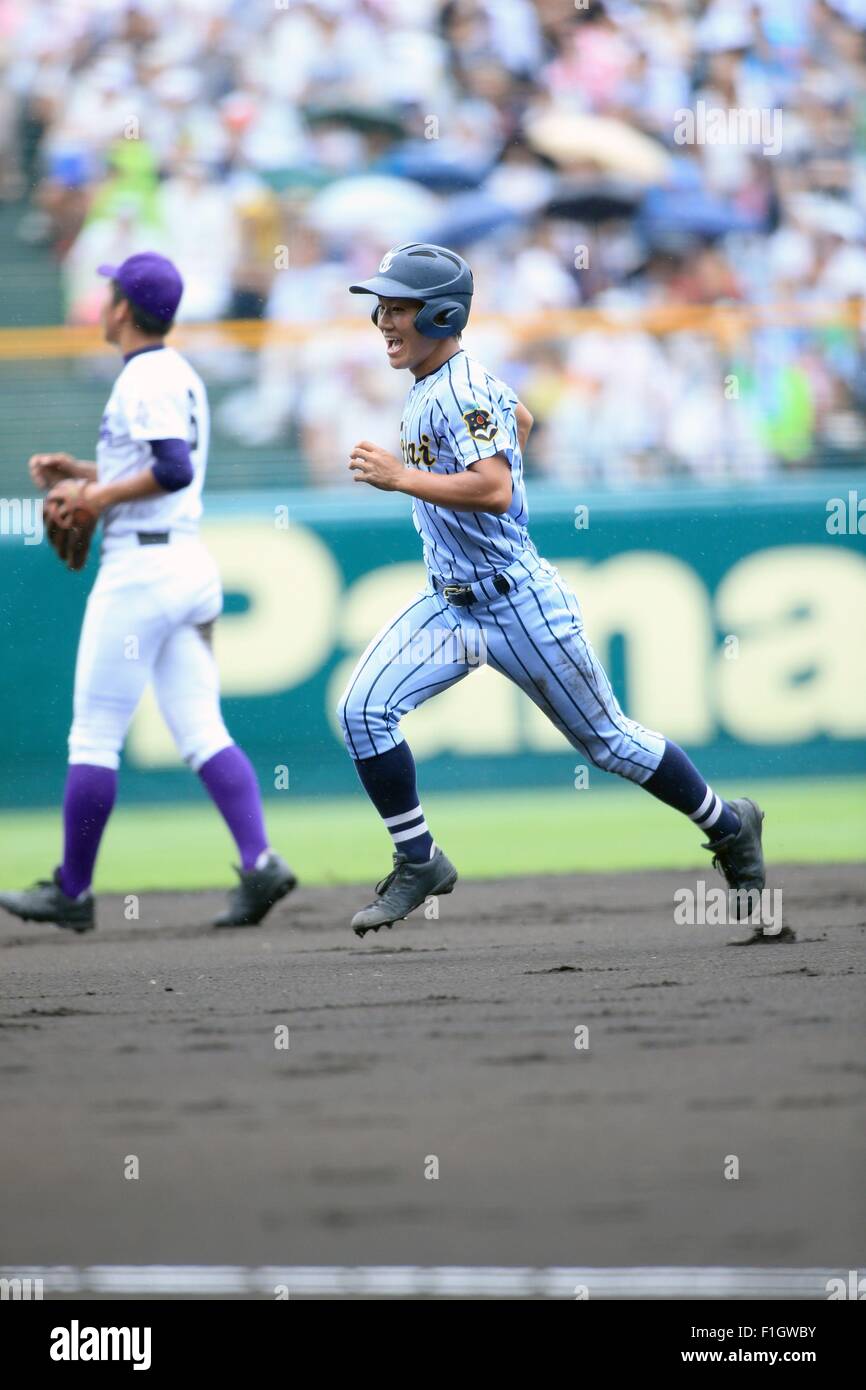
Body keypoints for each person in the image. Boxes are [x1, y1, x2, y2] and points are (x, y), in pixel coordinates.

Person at [338, 242, 766, 937]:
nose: (384, 320)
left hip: (516, 601)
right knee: (362, 712)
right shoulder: (440, 383)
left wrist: (403, 478)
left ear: (442, 314)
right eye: (380, 307)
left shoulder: (461, 386)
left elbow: (498, 488)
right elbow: (523, 422)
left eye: (399, 307)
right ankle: (419, 860)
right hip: (450, 602)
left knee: (610, 744)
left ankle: (728, 823)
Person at [0, 253, 295, 933]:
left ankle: (72, 892)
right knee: (200, 727)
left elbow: (172, 466)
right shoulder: (176, 373)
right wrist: (83, 470)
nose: (102, 303)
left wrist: (97, 494)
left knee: (94, 735)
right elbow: (156, 464)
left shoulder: (145, 377)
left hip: (143, 572)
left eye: (108, 292)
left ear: (123, 307)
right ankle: (260, 863)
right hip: (186, 564)